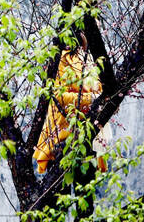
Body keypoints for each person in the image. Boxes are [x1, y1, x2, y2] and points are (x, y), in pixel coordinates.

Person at [34, 35, 103, 175]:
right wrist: (90, 98)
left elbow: (100, 90)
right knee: (62, 190)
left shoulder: (89, 58)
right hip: (64, 132)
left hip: (88, 131)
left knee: (86, 189)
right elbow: (59, 96)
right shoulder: (63, 58)